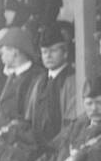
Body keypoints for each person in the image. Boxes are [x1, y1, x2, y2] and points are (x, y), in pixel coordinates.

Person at [26, 21, 77, 149]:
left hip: (61, 146)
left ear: (65, 53)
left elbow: (71, 122)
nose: (48, 55)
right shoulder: (39, 82)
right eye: (44, 52)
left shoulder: (72, 80)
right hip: (38, 147)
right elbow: (29, 117)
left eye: (53, 51)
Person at [0, 26, 43, 126]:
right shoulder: (11, 76)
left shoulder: (38, 77)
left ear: (15, 52)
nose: (1, 56)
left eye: (3, 52)